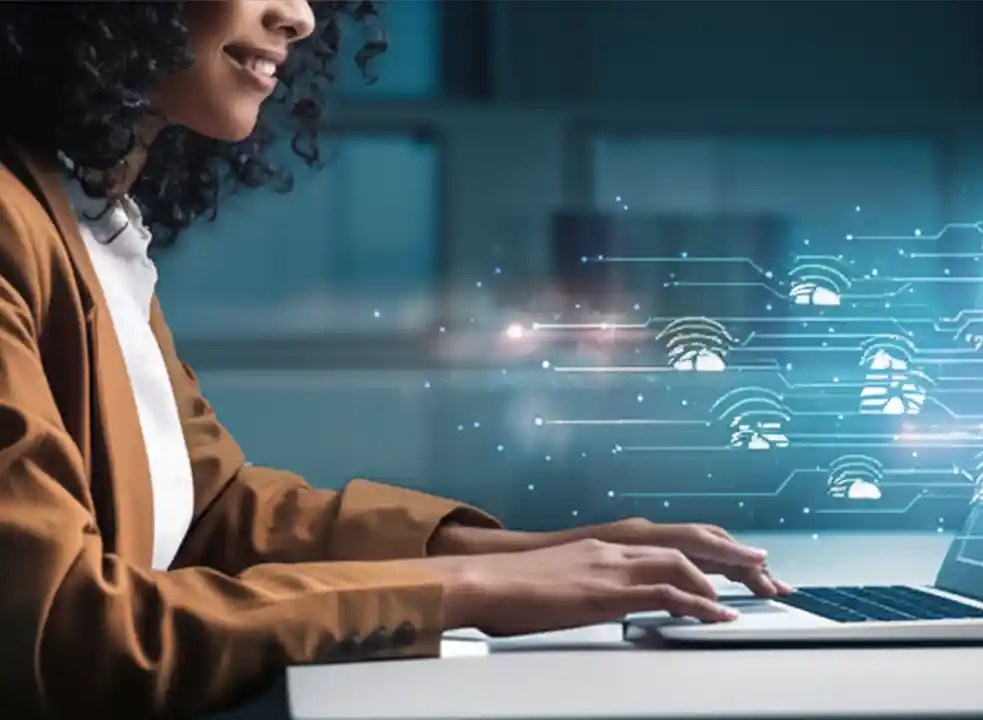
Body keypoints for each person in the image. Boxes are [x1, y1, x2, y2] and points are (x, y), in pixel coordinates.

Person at [0, 2, 789, 716]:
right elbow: (59, 634)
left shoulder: (86, 224)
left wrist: (538, 554)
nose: (301, 17)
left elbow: (213, 515)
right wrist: (466, 590)